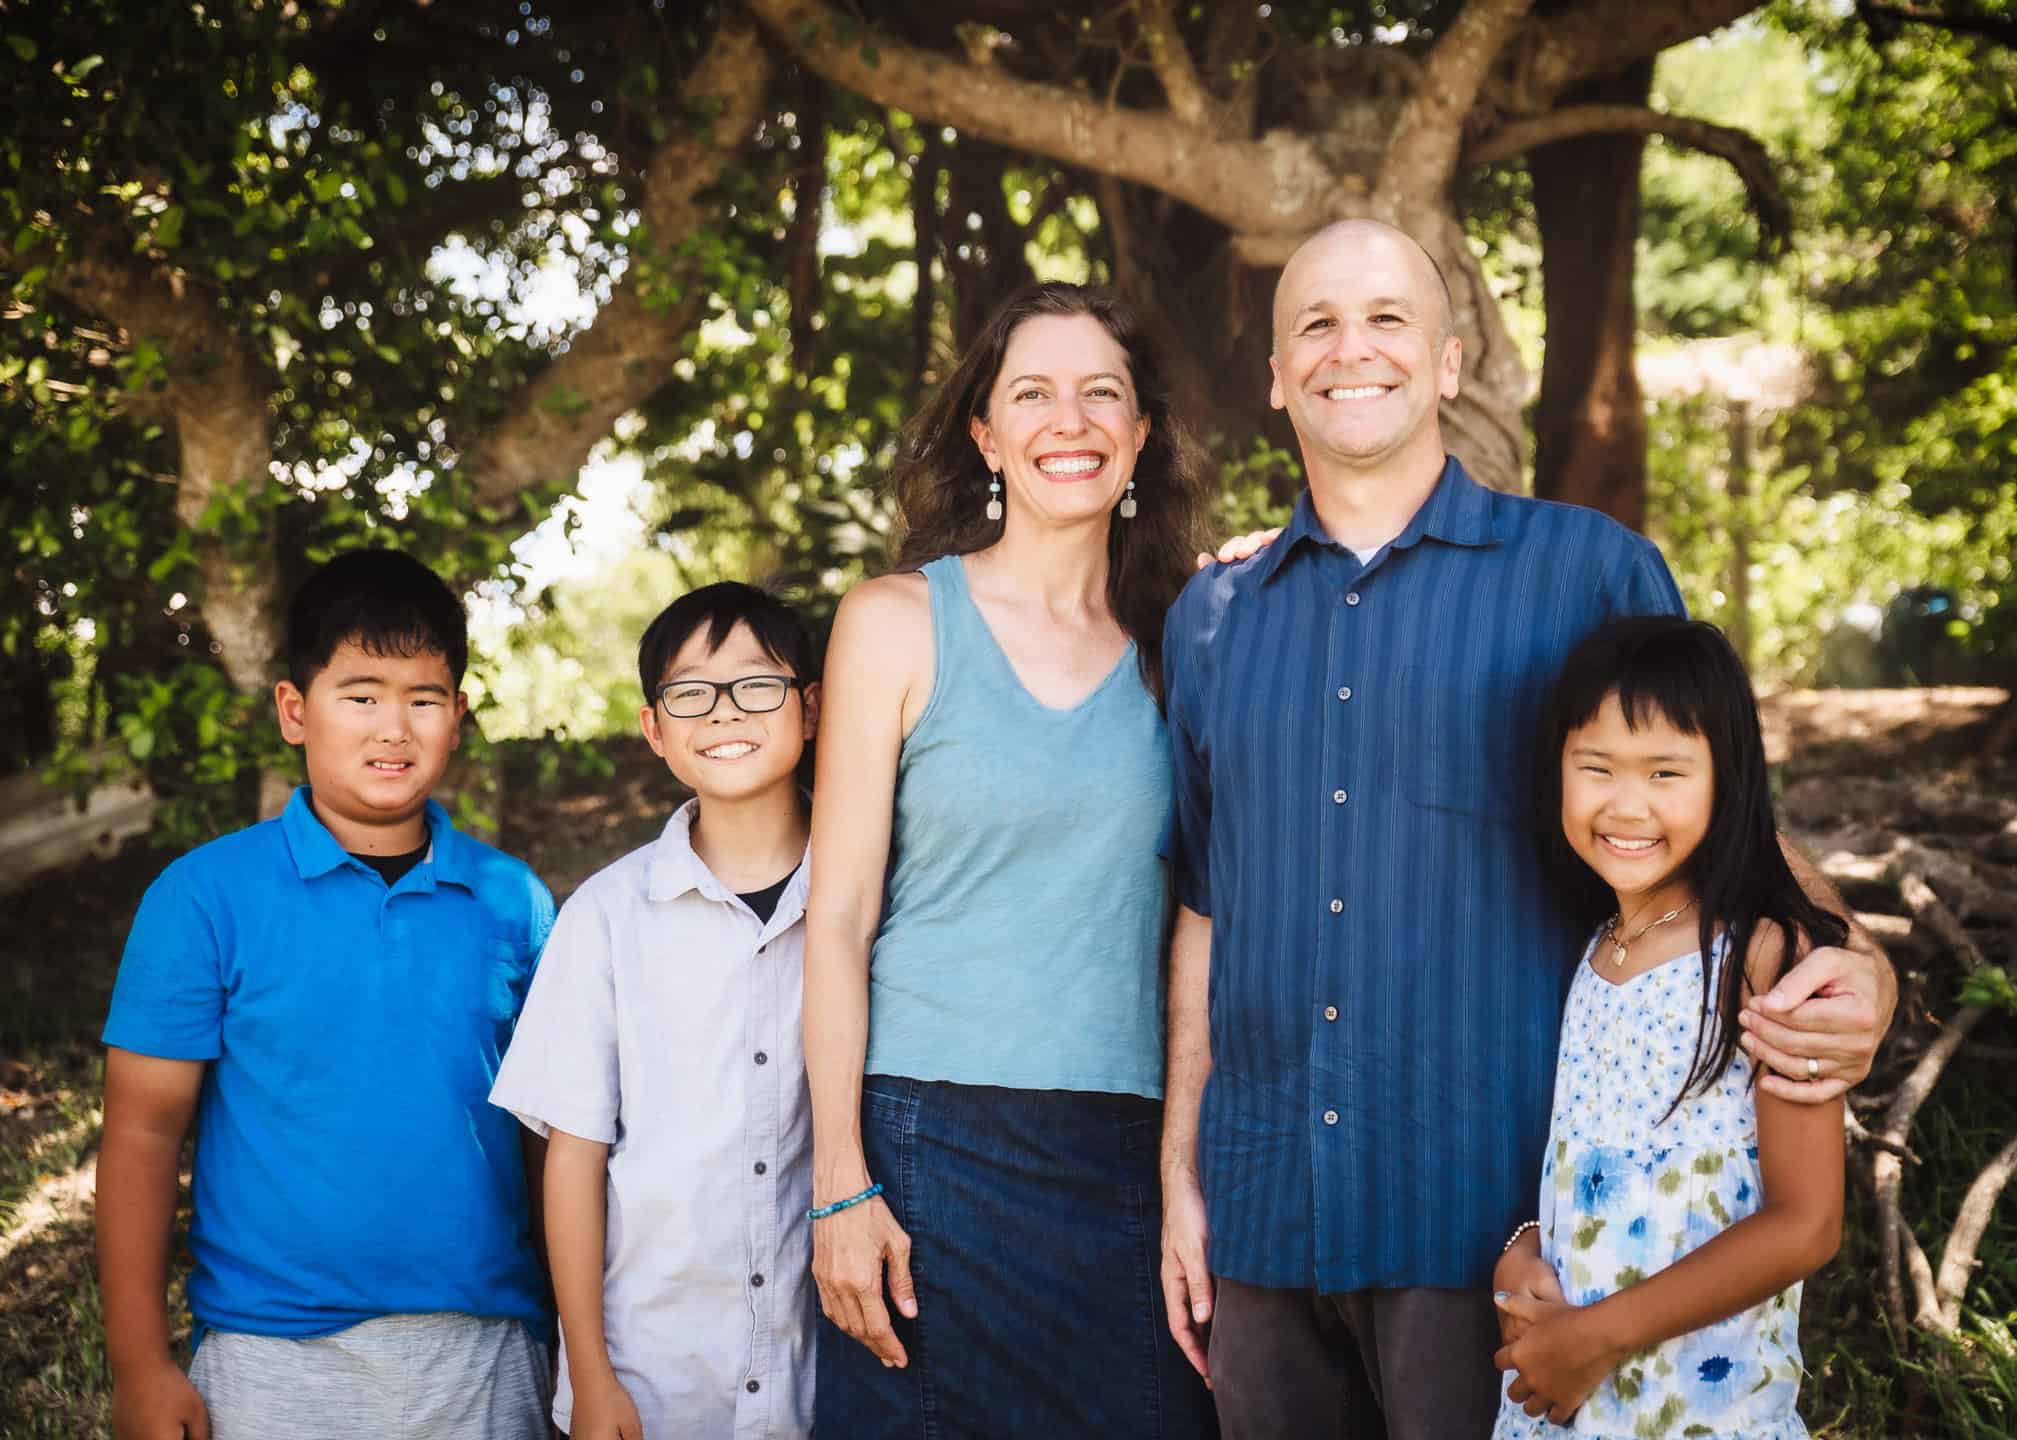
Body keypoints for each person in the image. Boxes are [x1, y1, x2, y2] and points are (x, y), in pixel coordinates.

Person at [1156, 219, 1895, 1440]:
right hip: (1264, 1220)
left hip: (1501, 1239)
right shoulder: (1210, 616)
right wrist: (1183, 1173)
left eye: (1389, 318)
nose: (1355, 349)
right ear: (1275, 375)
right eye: (1316, 326)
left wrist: (1854, 957)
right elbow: (1205, 907)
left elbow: (1716, 821)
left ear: (1449, 361)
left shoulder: (1583, 572)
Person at [803, 282, 1220, 1437]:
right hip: (926, 1151)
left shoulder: (1190, 641)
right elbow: (834, 917)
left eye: (1103, 394)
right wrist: (841, 1178)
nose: (1069, 420)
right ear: (985, 434)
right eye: (1032, 392)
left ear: (1141, 436)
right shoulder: (891, 621)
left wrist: (1182, 1172)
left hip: (1119, 1161)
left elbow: (1205, 921)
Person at [97, 549, 555, 1440]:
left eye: (424, 699)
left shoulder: (514, 903)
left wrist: (580, 1338)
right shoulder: (204, 898)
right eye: (361, 694)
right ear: (294, 711)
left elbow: (553, 1140)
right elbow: (141, 1133)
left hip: (485, 1350)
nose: (394, 728)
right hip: (272, 1358)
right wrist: (140, 1364)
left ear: (458, 717)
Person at [1491, 616, 1845, 1437]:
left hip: (1703, 1416)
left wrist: (1594, 1337)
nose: (1626, 803)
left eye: (1665, 772)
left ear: (1729, 781)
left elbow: (1807, 1222)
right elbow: (1600, 1167)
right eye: (1596, 768)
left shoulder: (1764, 955)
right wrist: (1524, 1246)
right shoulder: (1594, 950)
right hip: (1565, 1411)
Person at [489, 582, 821, 1440]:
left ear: (811, 707)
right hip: (653, 1374)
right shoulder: (606, 915)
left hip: (823, 1376)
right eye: (689, 693)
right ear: (655, 731)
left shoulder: (869, 894)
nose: (722, 713)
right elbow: (571, 1156)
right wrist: (589, 1372)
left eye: (755, 684)